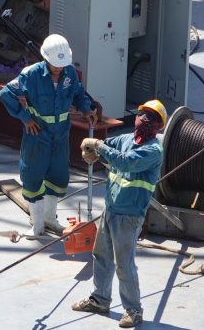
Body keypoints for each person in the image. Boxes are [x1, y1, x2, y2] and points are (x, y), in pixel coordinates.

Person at [71, 99, 166, 328]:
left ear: (158, 127)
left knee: (124, 264)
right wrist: (92, 151)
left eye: (152, 118)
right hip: (111, 209)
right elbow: (104, 148)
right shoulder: (125, 140)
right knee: (101, 256)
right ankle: (100, 300)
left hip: (129, 216)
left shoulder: (153, 151)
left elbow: (125, 163)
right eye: (143, 114)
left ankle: (133, 310)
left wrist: (98, 146)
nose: (145, 120)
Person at [0, 34, 97, 239]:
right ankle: (37, 224)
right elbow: (6, 93)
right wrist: (25, 118)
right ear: (46, 59)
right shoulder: (31, 75)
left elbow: (78, 94)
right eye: (55, 64)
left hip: (60, 133)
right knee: (33, 175)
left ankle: (50, 218)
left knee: (58, 175)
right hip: (38, 134)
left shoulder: (70, 73)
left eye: (62, 64)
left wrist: (86, 109)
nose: (59, 68)